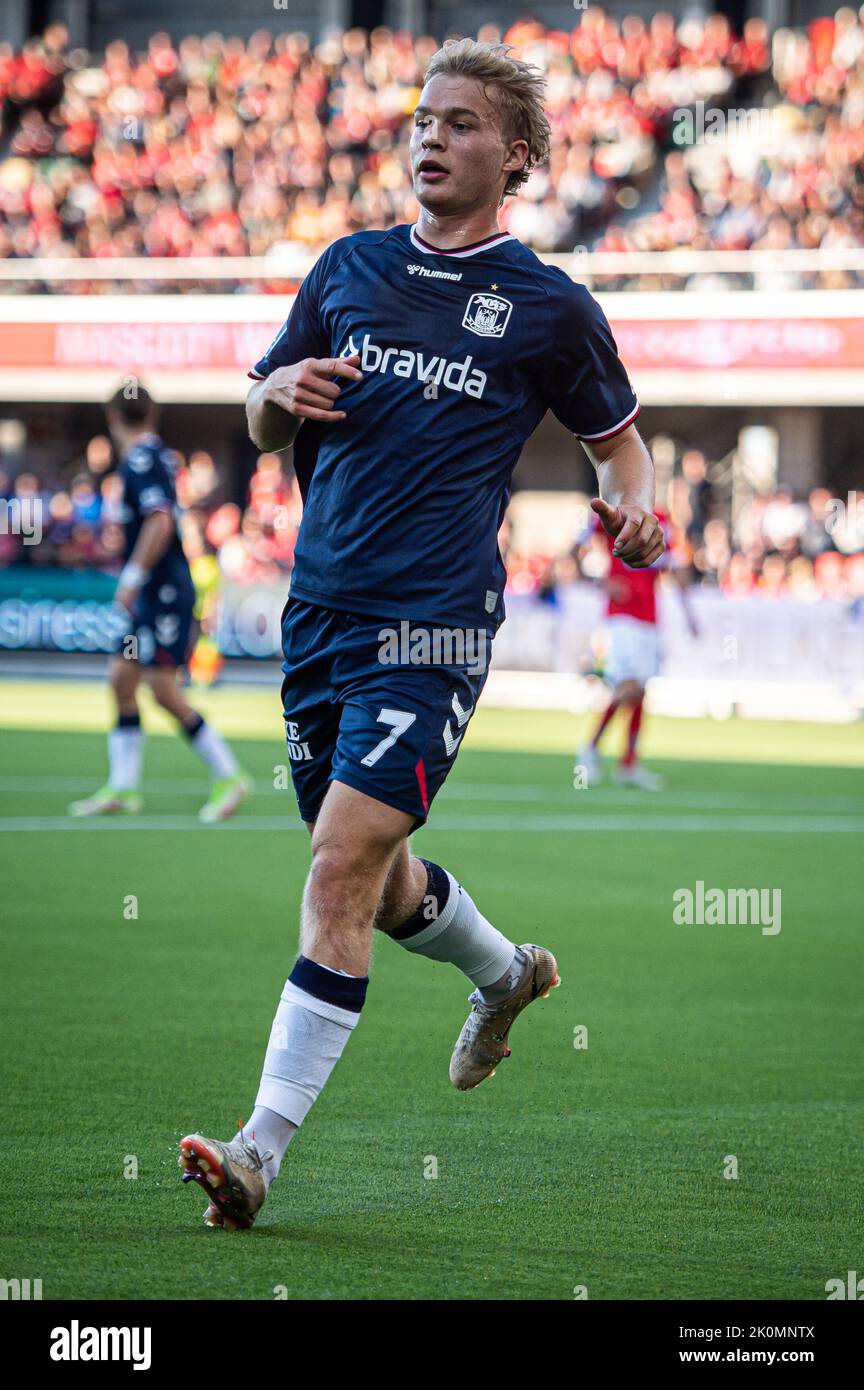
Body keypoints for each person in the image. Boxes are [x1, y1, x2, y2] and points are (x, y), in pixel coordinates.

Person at [178, 38, 663, 1231]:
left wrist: (640, 513)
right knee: (378, 884)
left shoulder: (550, 307)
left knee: (336, 867)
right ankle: (508, 974)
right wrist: (271, 399)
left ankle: (257, 1153)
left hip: (437, 625)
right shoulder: (346, 267)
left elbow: (621, 448)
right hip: (320, 616)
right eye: (422, 119)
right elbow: (258, 416)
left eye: (459, 123)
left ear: (519, 156)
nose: (430, 138)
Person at [68, 386, 249, 823]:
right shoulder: (154, 457)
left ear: (112, 416)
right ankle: (124, 787)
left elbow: (161, 519)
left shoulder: (142, 459)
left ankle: (229, 776)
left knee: (163, 691)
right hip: (152, 595)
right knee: (121, 679)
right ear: (154, 412)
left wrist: (132, 576)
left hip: (163, 593)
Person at [577, 509, 697, 790]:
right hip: (622, 615)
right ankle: (590, 748)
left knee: (641, 691)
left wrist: (690, 613)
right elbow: (581, 544)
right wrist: (600, 580)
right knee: (628, 686)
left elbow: (672, 566)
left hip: (650, 618)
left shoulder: (662, 519)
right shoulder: (615, 514)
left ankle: (628, 764)